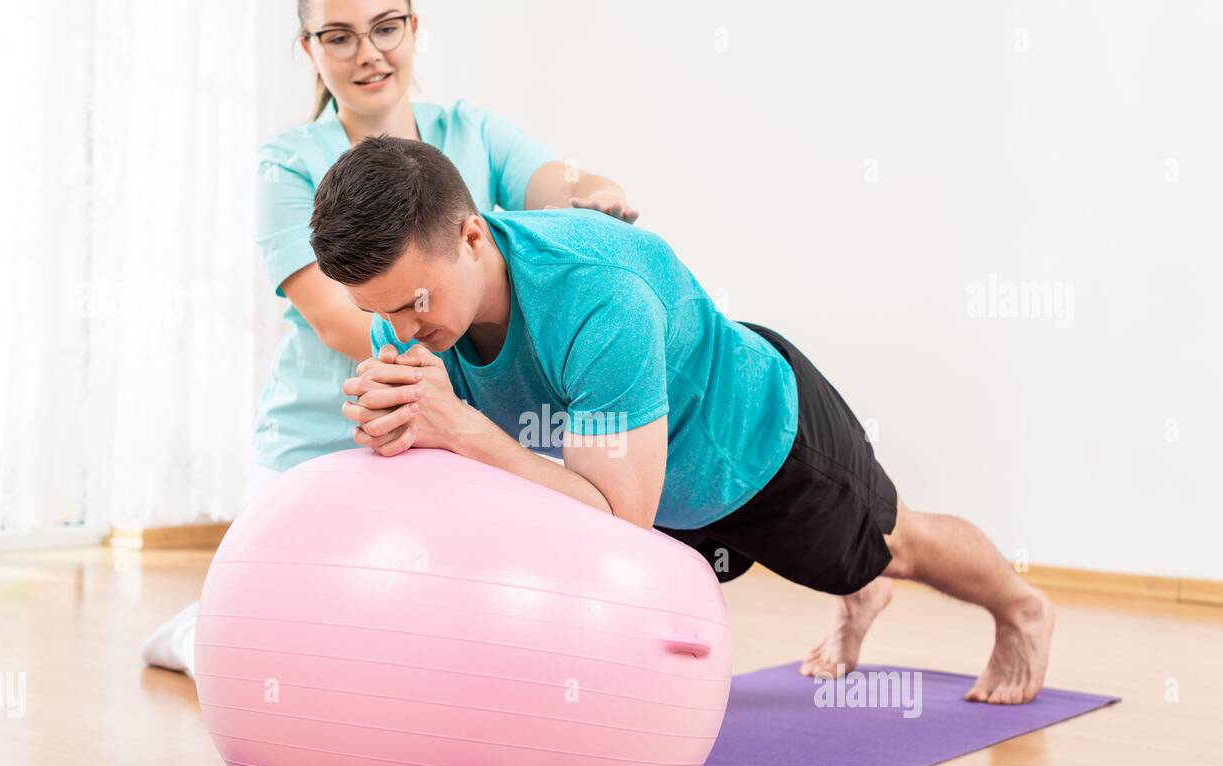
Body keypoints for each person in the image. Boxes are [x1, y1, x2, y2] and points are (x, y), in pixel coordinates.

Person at [309, 135, 1057, 705]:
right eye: (373, 312)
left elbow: (618, 517)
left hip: (757, 444)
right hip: (648, 486)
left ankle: (1020, 610)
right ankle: (858, 589)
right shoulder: (405, 314)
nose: (395, 333)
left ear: (473, 238)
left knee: (895, 546)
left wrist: (462, 431)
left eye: (412, 305)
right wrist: (393, 431)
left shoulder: (600, 297)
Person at [141, 0, 637, 675]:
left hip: (449, 423)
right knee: (272, 646)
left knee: (414, 630)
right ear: (308, 48)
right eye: (339, 37)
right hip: (324, 431)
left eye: (385, 27)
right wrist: (437, 388)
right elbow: (336, 318)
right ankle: (199, 633)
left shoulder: (473, 132)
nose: (369, 54)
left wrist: (601, 204)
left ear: (412, 27)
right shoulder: (286, 164)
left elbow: (564, 183)